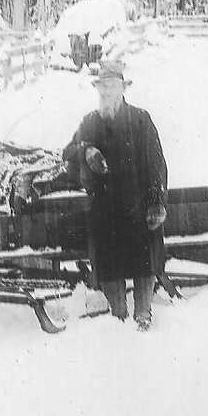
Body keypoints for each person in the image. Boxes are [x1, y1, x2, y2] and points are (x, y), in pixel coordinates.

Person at [63, 55, 168, 329]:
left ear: (123, 88)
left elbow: (157, 164)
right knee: (108, 261)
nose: (107, 91)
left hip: (137, 205)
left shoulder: (140, 120)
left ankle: (143, 313)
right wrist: (86, 151)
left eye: (112, 86)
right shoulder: (90, 123)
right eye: (102, 87)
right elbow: (68, 152)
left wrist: (157, 202)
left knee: (143, 259)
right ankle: (118, 315)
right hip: (105, 209)